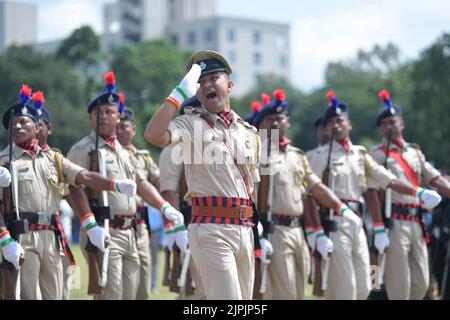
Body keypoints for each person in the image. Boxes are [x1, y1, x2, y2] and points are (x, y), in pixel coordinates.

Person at [0, 85, 137, 300]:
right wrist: (4, 239)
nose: (17, 126)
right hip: (23, 237)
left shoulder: (53, 158)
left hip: (51, 237)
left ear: (37, 127)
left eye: (23, 121)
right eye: (13, 123)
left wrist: (114, 185)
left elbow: (83, 176)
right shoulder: (4, 162)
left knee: (55, 296)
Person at [145, 50, 261, 299]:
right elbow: (153, 135)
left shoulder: (248, 132)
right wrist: (177, 95)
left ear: (229, 85)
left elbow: (253, 189)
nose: (207, 84)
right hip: (211, 228)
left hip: (244, 229)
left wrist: (258, 233)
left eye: (214, 78)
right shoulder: (190, 124)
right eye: (201, 81)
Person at [308, 90, 442, 300]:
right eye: (331, 122)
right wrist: (316, 231)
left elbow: (387, 179)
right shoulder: (317, 156)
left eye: (340, 120)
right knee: (347, 288)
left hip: (358, 224)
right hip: (335, 222)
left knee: (365, 287)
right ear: (325, 128)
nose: (336, 125)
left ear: (349, 124)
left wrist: (418, 191)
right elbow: (309, 194)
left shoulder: (361, 154)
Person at [67, 71, 186, 300]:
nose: (103, 117)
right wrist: (89, 224)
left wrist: (164, 207)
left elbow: (140, 184)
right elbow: (73, 188)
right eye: (97, 113)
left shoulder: (125, 152)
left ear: (118, 117)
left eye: (109, 112)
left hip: (131, 232)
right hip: (104, 228)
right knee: (111, 295)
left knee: (133, 295)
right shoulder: (84, 149)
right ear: (90, 118)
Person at [252, 89, 360, 299]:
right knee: (285, 292)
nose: (275, 123)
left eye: (279, 119)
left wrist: (341, 209)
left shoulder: (296, 155)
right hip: (274, 229)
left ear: (287, 122)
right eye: (269, 119)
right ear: (262, 125)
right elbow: (252, 195)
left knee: (300, 291)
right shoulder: (259, 155)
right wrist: (259, 234)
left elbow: (315, 188)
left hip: (297, 230)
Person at [368, 89, 450, 299]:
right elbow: (372, 192)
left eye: (393, 121)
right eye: (385, 123)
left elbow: (434, 179)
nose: (390, 126)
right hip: (393, 222)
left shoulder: (415, 152)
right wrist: (378, 227)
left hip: (417, 221)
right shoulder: (375, 155)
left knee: (422, 284)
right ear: (380, 128)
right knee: (398, 286)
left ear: (402, 124)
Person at [116, 96, 161, 300]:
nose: (119, 131)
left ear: (133, 129)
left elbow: (160, 183)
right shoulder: (103, 154)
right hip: (115, 223)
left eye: (124, 126)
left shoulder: (143, 156)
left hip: (140, 225)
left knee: (143, 280)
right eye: (117, 126)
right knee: (116, 287)